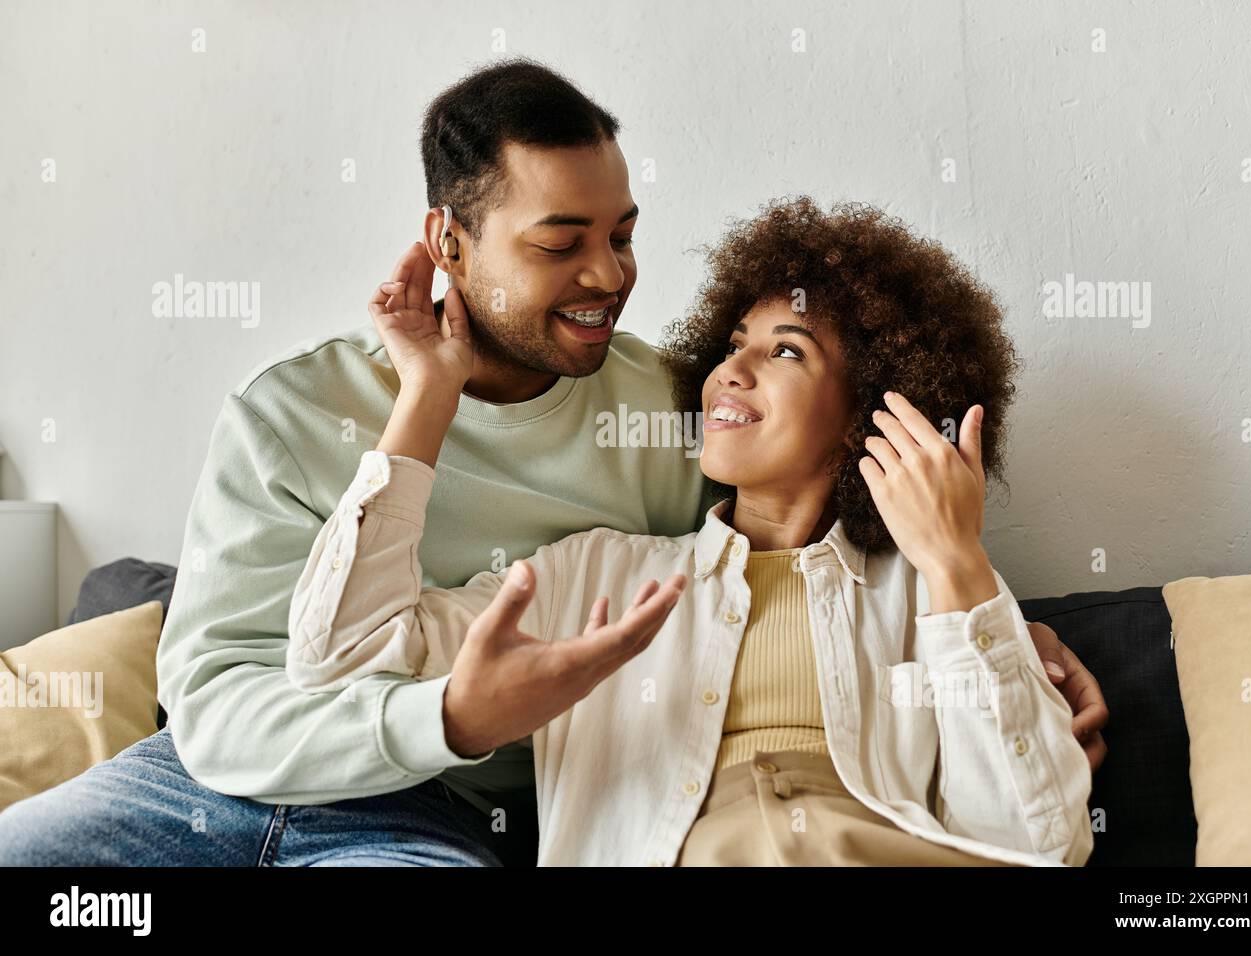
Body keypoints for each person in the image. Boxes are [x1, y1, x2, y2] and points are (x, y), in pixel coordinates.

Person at [0, 60, 1104, 867]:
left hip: (424, 822)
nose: (609, 274)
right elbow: (238, 703)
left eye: (621, 233)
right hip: (210, 785)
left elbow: (807, 541)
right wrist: (424, 411)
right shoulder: (293, 412)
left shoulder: (668, 418)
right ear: (448, 245)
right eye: (560, 241)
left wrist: (993, 612)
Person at [285, 196, 1095, 867]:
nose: (730, 371)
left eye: (787, 352)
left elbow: (1039, 844)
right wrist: (429, 392)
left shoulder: (938, 598)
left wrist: (958, 567)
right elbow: (342, 652)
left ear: (869, 417)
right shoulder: (594, 576)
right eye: (735, 343)